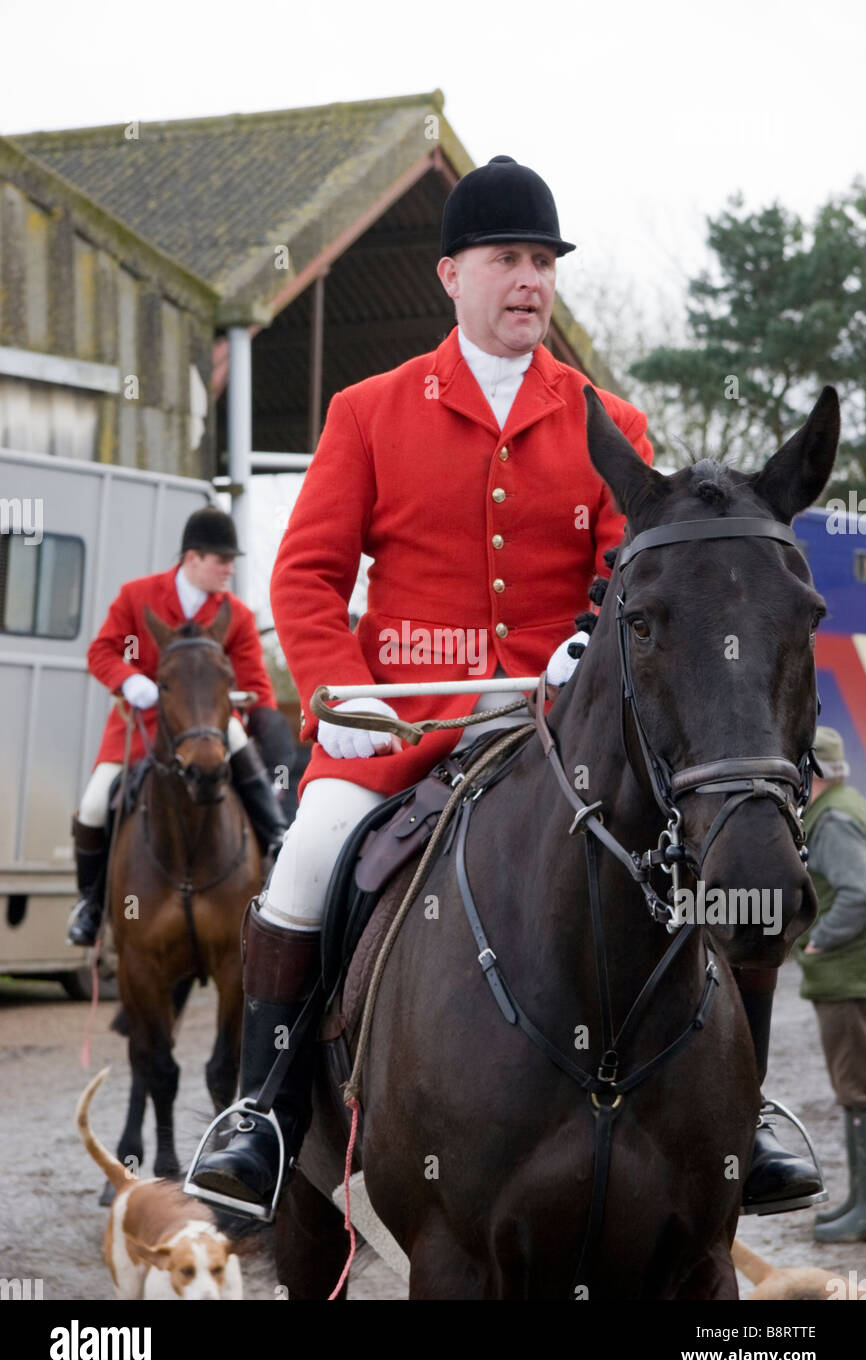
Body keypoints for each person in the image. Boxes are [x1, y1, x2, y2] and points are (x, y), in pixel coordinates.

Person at [190, 156, 821, 1216]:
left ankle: (742, 1106)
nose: (528, 279)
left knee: (716, 845)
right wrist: (348, 693)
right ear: (449, 275)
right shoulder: (368, 410)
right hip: (400, 719)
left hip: (559, 723)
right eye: (506, 260)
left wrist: (588, 638)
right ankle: (261, 1108)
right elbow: (303, 576)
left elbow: (638, 576)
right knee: (302, 858)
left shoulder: (605, 418)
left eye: (542, 262)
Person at [66, 506, 292, 947]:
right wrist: (129, 680)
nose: (229, 568)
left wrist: (267, 725)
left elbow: (255, 685)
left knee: (252, 780)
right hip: (142, 726)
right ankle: (90, 904)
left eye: (231, 560)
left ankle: (278, 846)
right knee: (93, 807)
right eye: (220, 559)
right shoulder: (137, 597)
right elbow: (102, 651)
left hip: (207, 723)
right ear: (192, 558)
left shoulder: (237, 616)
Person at [795, 726, 866, 1242]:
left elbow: (859, 891)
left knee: (857, 1091)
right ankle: (859, 1204)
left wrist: (819, 940)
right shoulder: (844, 804)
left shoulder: (833, 819)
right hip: (848, 975)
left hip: (847, 977)